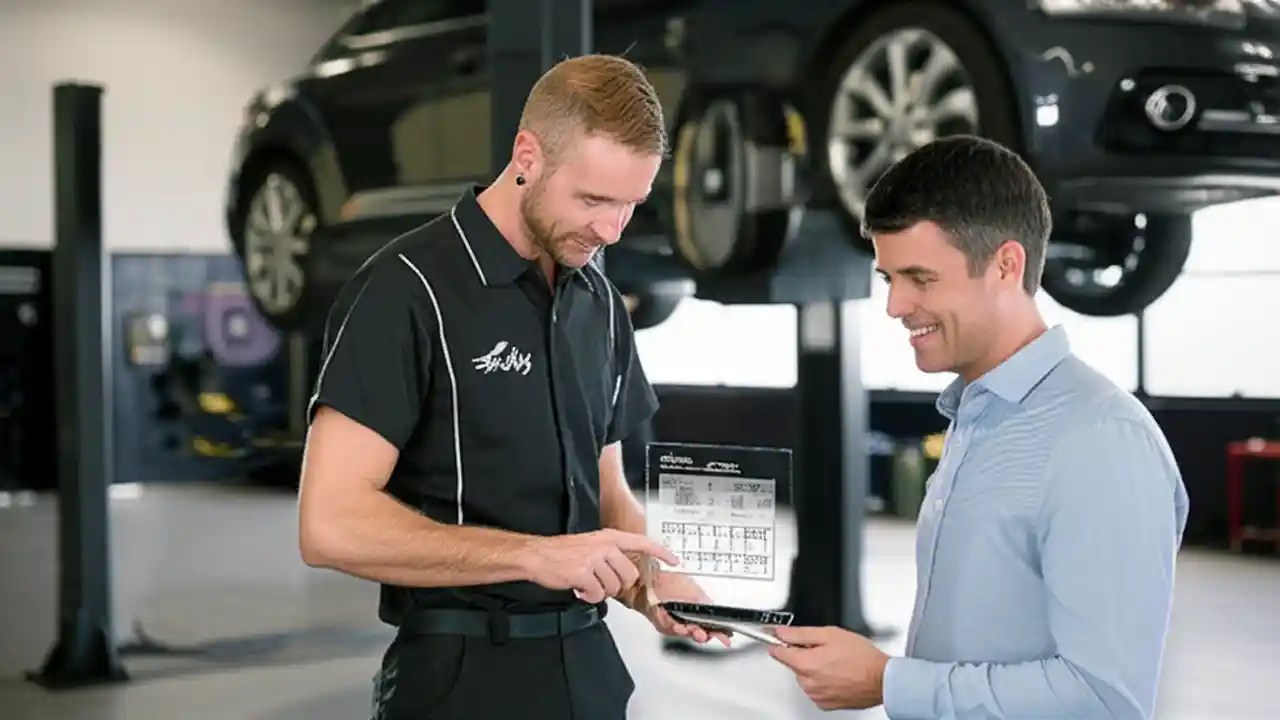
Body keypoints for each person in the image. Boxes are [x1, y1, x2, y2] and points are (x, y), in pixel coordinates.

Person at [296, 54, 725, 720]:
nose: (611, 229)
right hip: (459, 677)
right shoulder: (406, 291)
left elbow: (607, 493)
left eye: (630, 205)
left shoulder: (601, 305)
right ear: (528, 156)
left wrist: (652, 583)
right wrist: (532, 558)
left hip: (590, 670)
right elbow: (330, 524)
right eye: (593, 200)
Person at [768, 135, 1189, 719]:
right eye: (889, 278)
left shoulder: (1098, 439)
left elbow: (1104, 699)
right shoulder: (979, 417)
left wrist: (891, 682)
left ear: (1005, 266)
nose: (894, 306)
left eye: (920, 278)